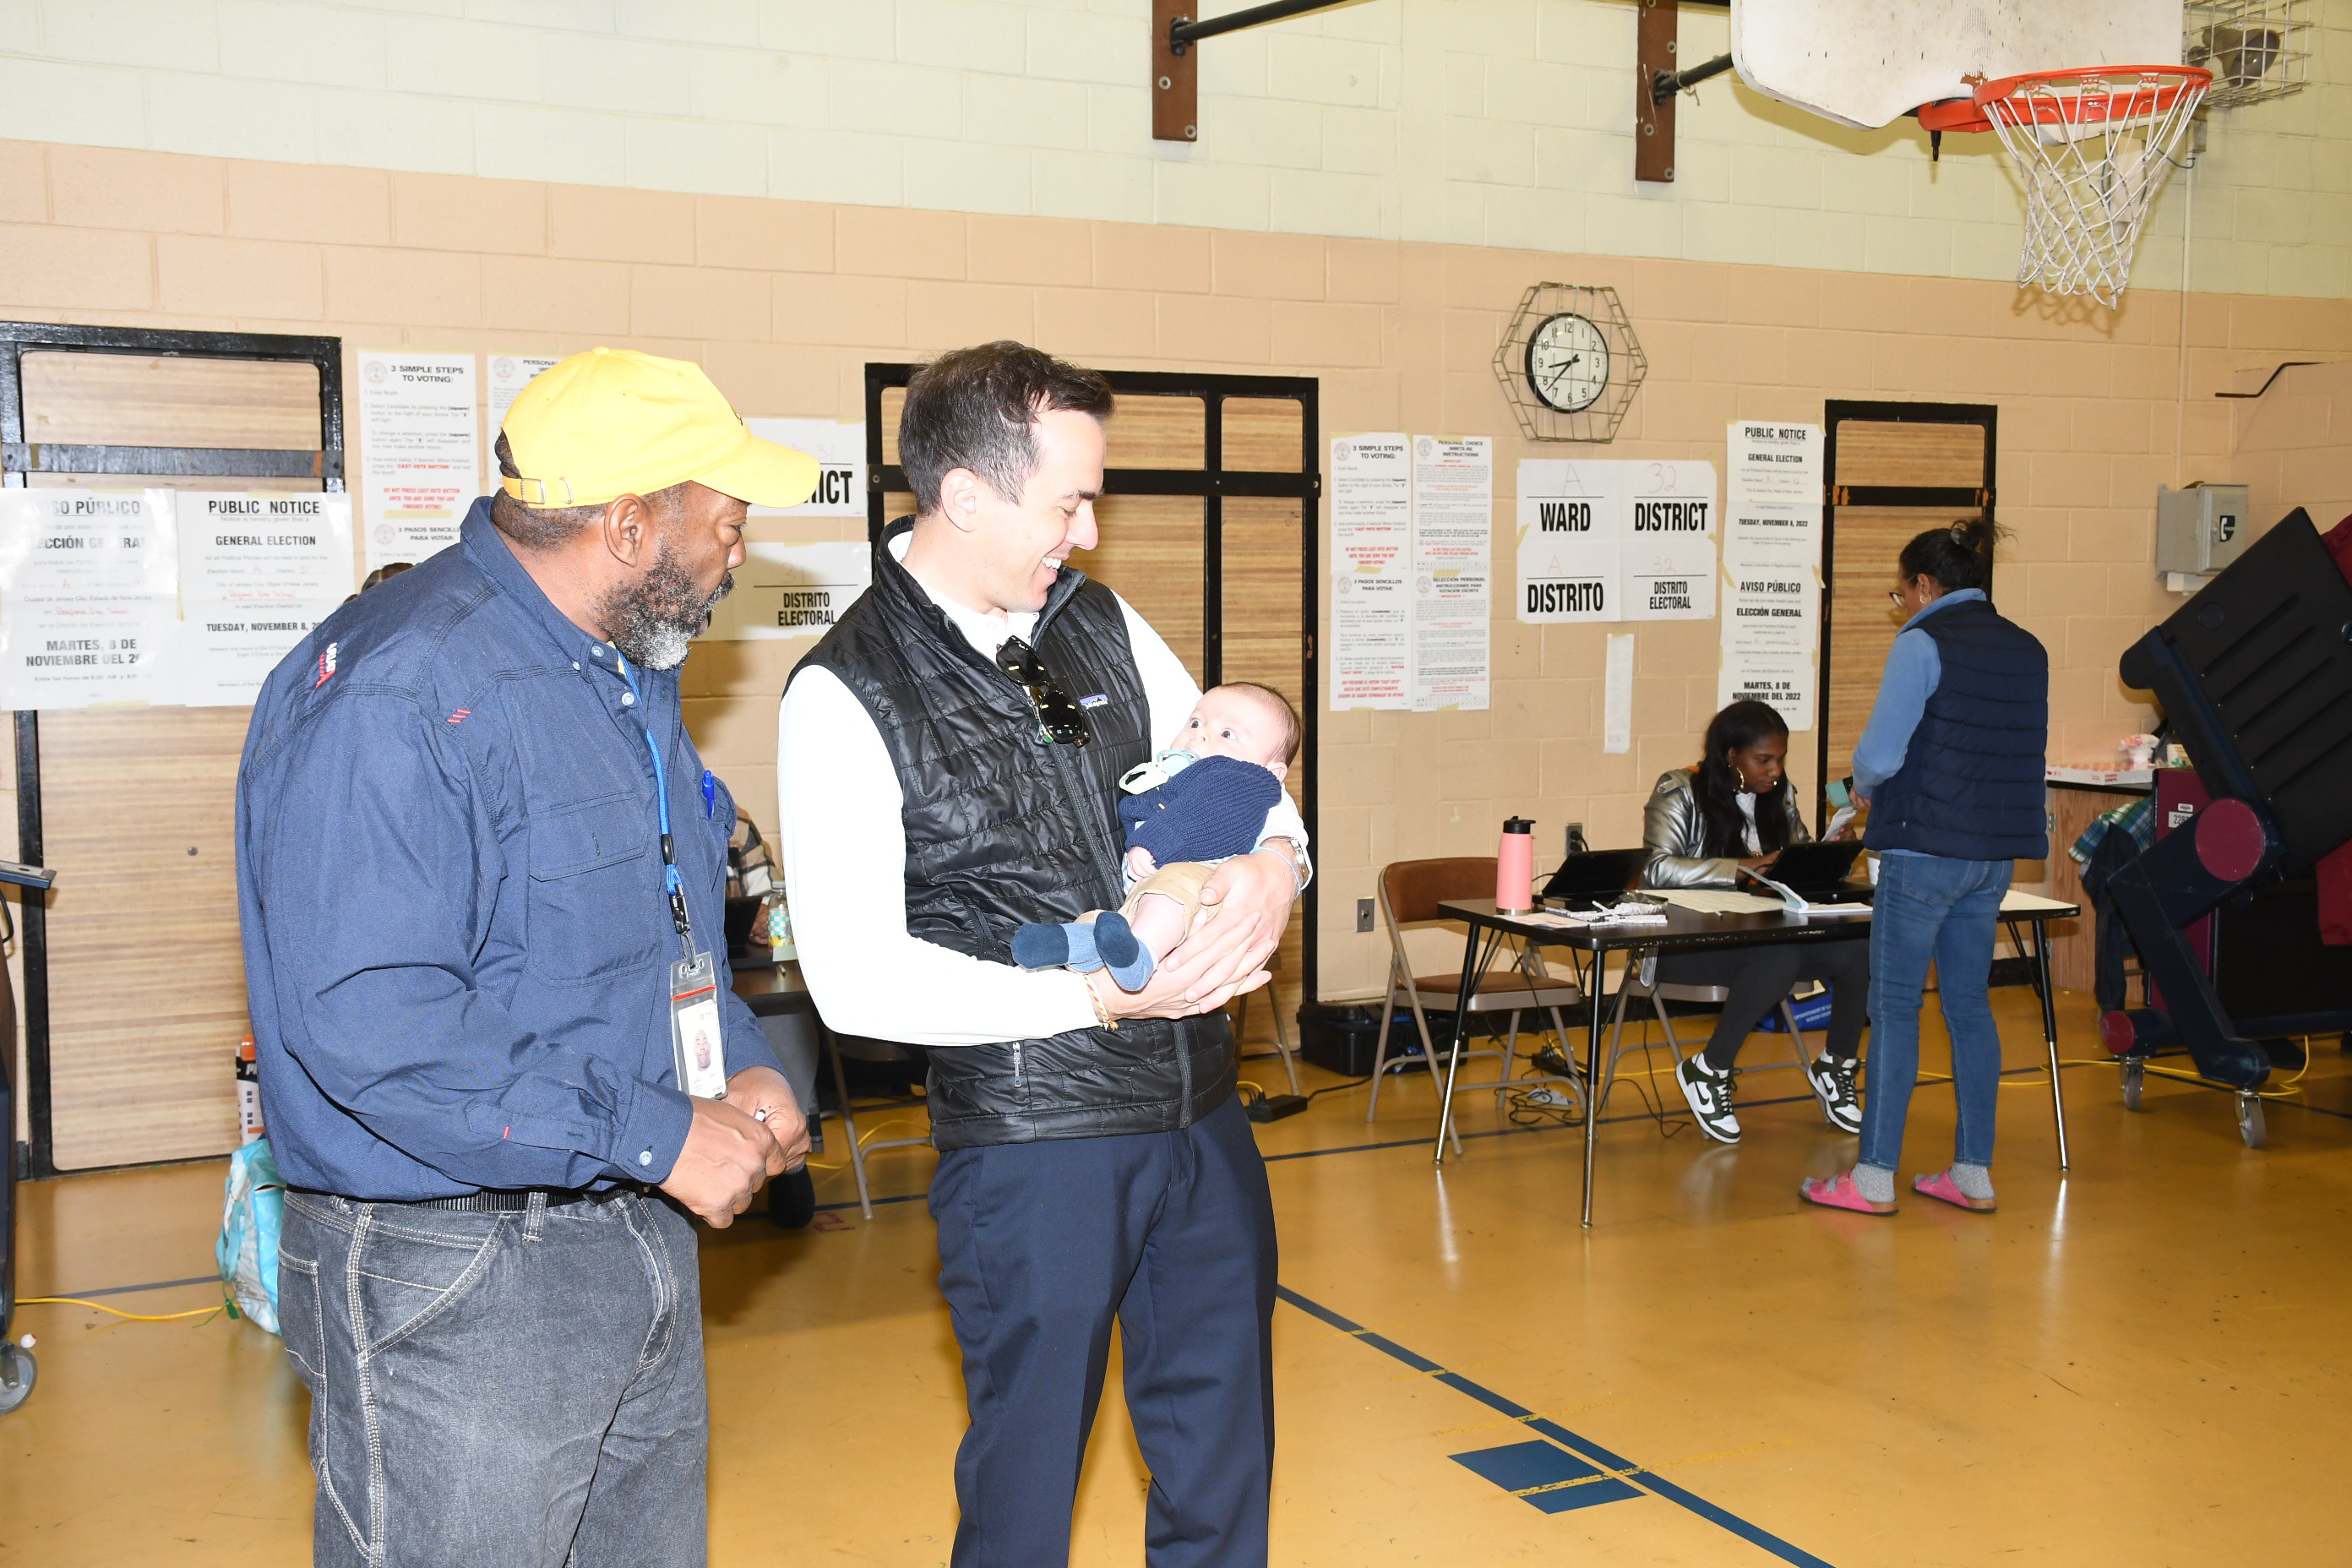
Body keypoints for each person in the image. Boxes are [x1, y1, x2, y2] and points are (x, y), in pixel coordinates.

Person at [237, 347, 816, 1568]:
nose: (737, 550)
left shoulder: (622, 674)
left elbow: (667, 916)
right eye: (723, 523)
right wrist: (660, 1136)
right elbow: (374, 1024)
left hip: (631, 1222)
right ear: (626, 525)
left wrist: (741, 1065)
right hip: (454, 1275)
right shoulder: (402, 693)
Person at [776, 340, 1309, 1568]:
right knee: (1026, 1486)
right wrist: (1090, 1000)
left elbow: (1245, 778)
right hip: (1037, 1146)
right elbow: (854, 979)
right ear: (966, 496)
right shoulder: (846, 692)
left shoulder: (1099, 622)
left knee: (1226, 1455)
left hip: (1201, 1116)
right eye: (1069, 500)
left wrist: (1279, 866)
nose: (1091, 529)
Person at [1802, 519, 2048, 1216]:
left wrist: (1858, 793)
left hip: (1923, 850)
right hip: (1993, 855)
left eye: (1901, 591)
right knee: (1970, 1007)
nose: (1902, 605)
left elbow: (1880, 756)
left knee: (1896, 1008)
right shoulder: (2029, 648)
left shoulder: (1921, 642)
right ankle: (1973, 1174)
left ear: (1925, 585)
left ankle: (1873, 1178)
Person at [1640, 699, 1871, 1143]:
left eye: (1781, 760)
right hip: (1688, 941)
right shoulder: (1679, 789)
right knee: (1778, 956)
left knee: (1859, 951)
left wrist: (1829, 850)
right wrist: (1741, 868)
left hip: (1766, 935)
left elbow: (1792, 866)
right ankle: (1710, 1069)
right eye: (1763, 760)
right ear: (1731, 755)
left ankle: (1836, 1064)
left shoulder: (1779, 797)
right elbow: (1655, 868)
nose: (1775, 771)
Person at [1012, 681, 1300, 990]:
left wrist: (1153, 845)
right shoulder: (1178, 774)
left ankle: (1141, 959)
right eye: (1196, 722)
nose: (1200, 734)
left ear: (1272, 772)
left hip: (1199, 882)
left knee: (1164, 896)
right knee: (1116, 921)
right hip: (1154, 885)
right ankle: (1079, 943)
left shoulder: (1235, 780)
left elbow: (1198, 816)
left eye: (1228, 734)